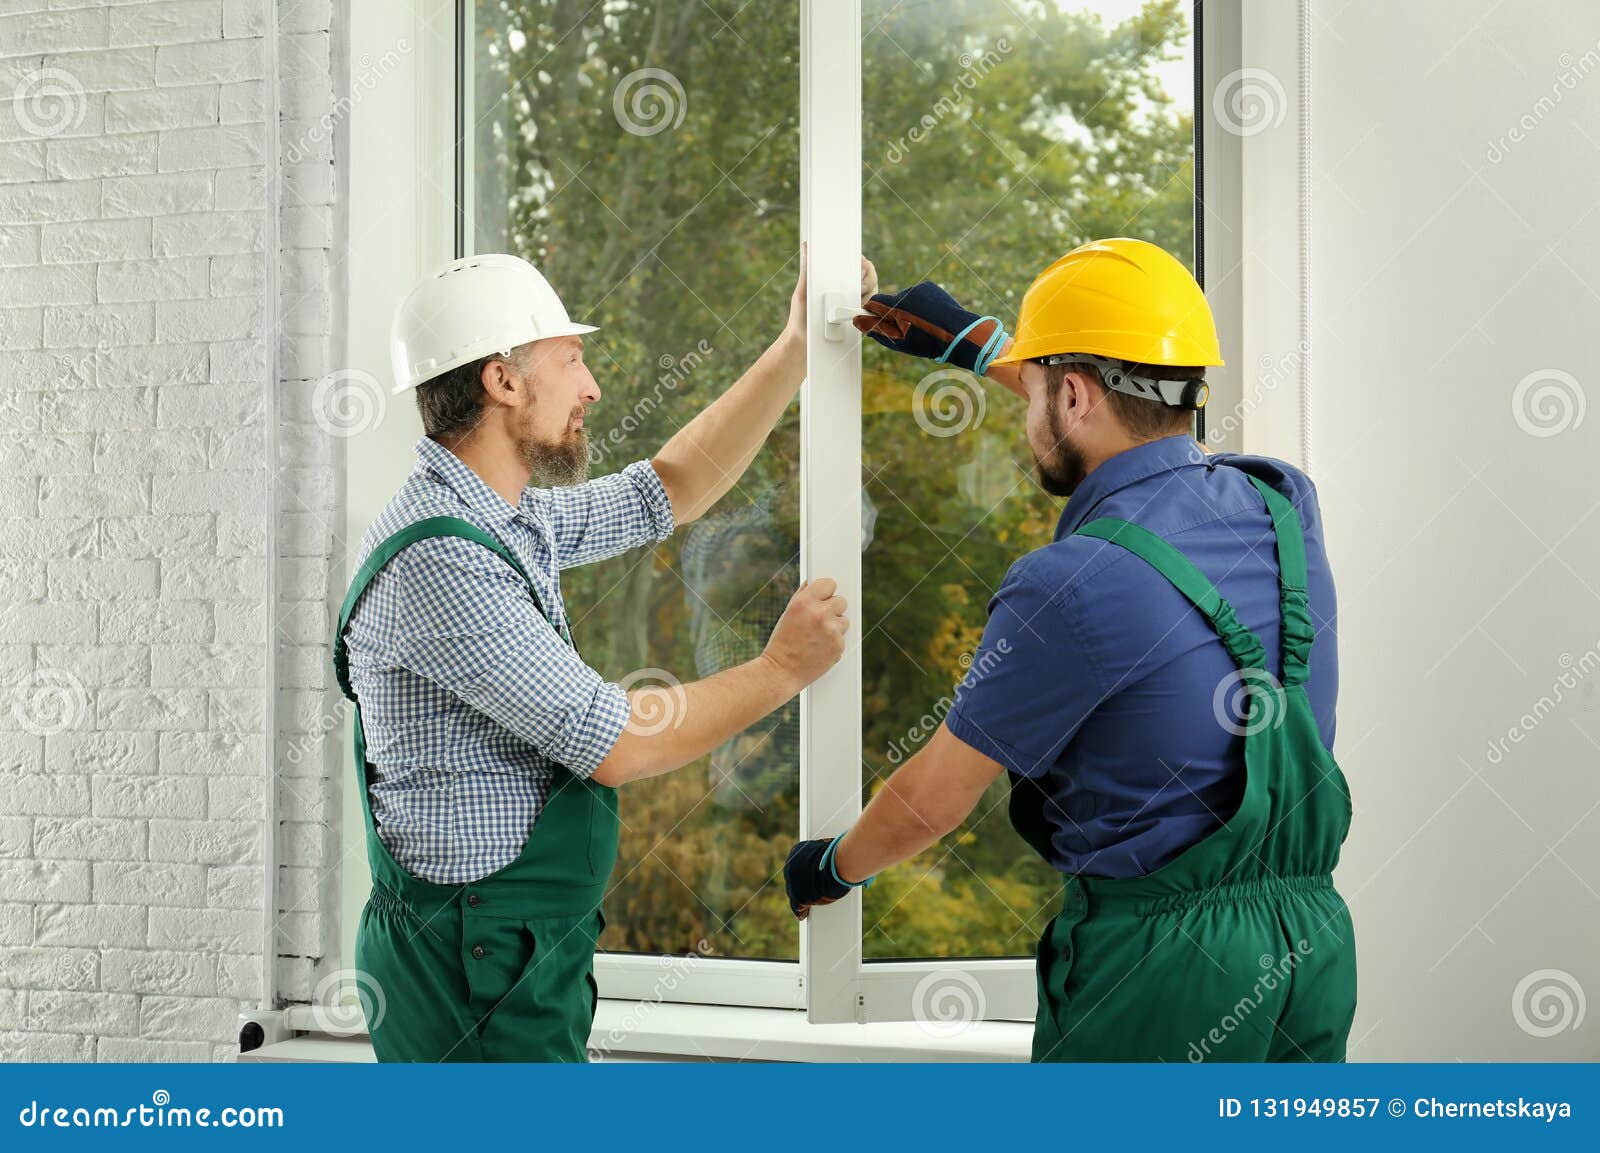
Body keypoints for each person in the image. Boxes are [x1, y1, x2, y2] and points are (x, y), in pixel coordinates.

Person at [783, 237, 1356, 1062]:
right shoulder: (1283, 500)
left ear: (1077, 394)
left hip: (1162, 974)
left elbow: (932, 800)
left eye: (1038, 389)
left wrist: (831, 867)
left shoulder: (1071, 584)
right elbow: (1134, 422)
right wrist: (985, 346)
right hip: (1312, 951)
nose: (1027, 412)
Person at [334, 249, 875, 1061]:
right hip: (468, 968)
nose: (590, 388)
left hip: (510, 951)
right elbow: (617, 742)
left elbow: (671, 487)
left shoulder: (505, 519)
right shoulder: (442, 557)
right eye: (571, 360)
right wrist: (780, 670)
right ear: (502, 381)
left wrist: (796, 347)